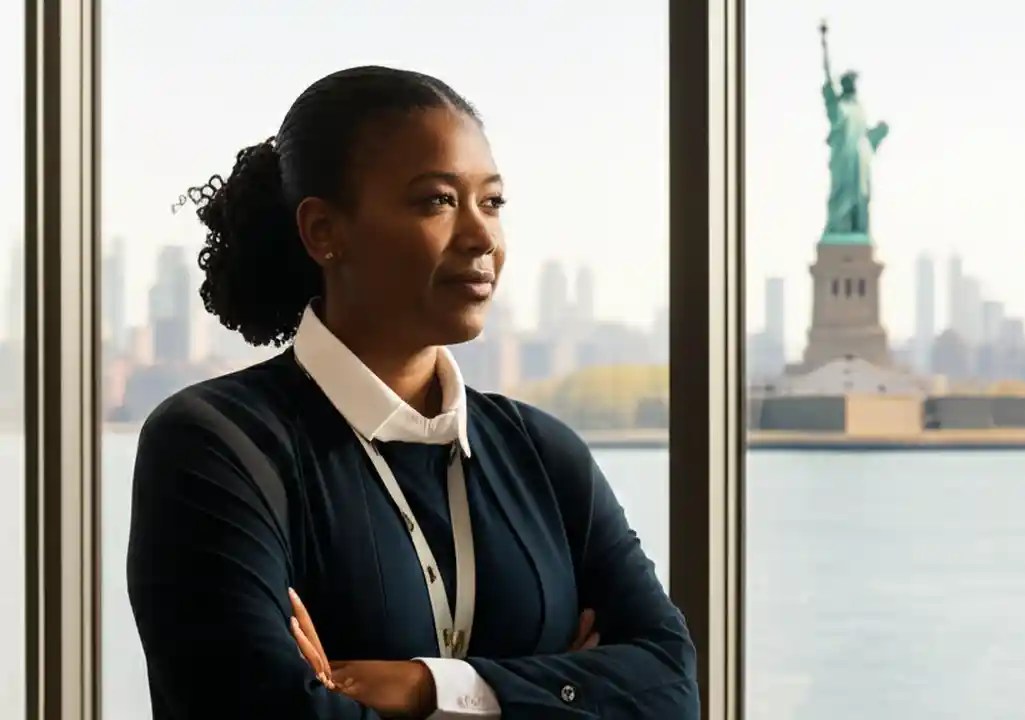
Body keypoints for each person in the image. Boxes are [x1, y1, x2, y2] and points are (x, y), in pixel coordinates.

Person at [126, 65, 698, 719]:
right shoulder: (214, 445)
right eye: (437, 200)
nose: (482, 236)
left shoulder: (542, 451)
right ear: (324, 232)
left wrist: (431, 689)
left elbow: (672, 688)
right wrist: (560, 690)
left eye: (492, 202)